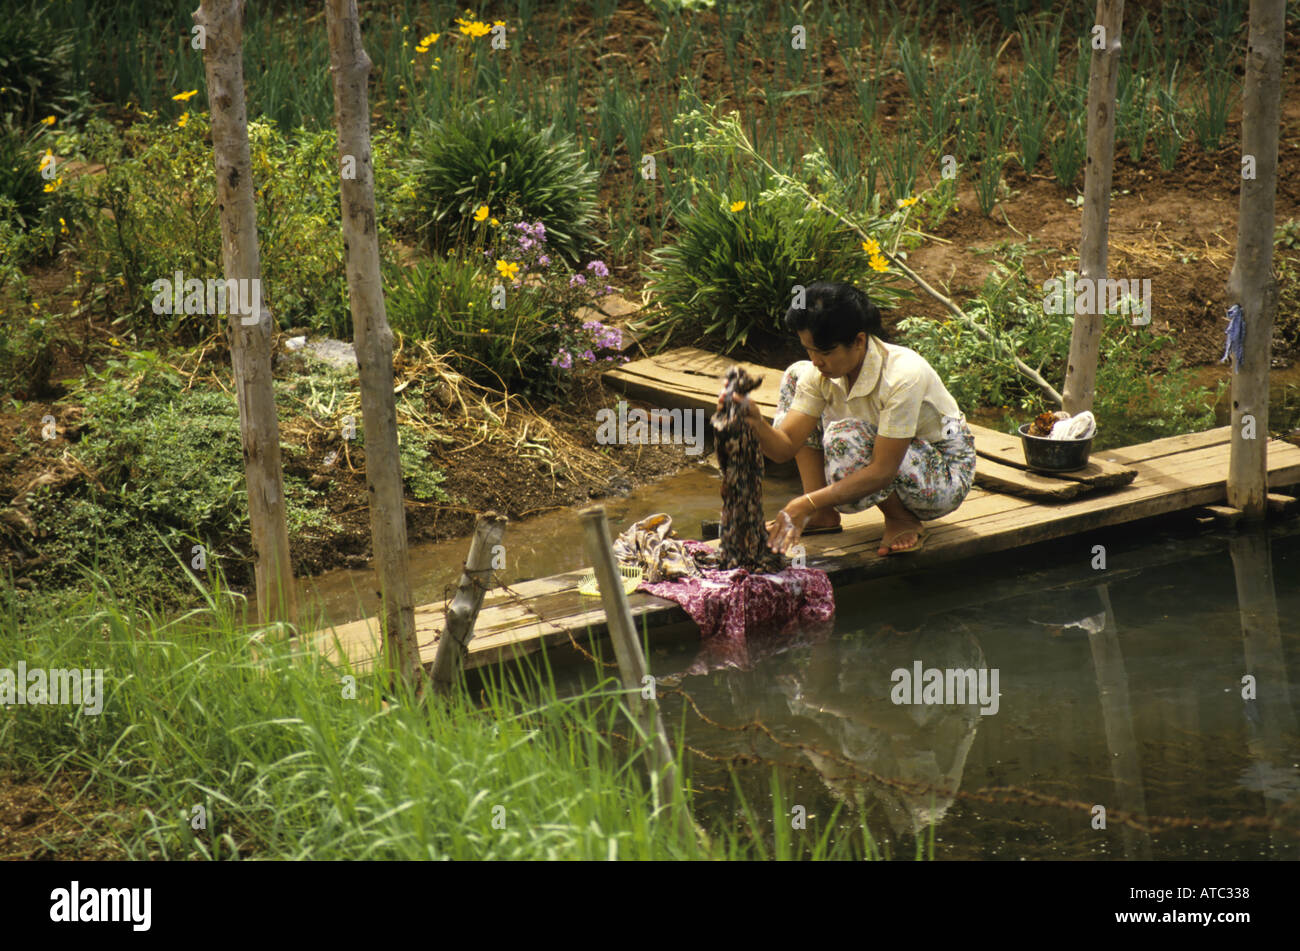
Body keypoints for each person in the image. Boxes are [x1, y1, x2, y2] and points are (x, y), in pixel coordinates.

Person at [719, 281, 976, 556]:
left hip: (944, 469)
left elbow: (883, 470)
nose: (816, 361)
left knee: (845, 437)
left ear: (859, 341)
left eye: (825, 352)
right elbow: (784, 447)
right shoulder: (818, 373)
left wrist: (804, 503)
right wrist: (755, 423)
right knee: (797, 374)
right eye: (809, 349)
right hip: (892, 452)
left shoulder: (903, 374)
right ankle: (823, 515)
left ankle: (900, 517)